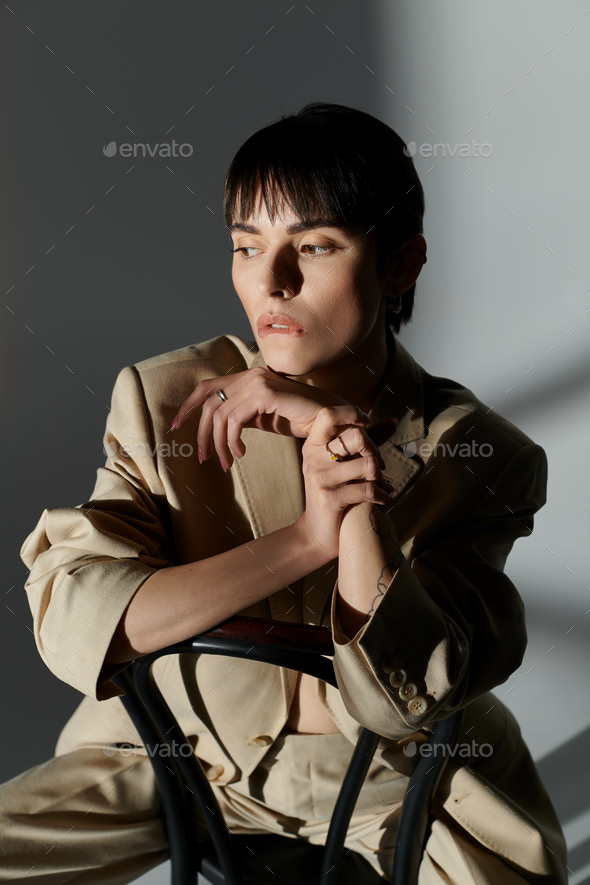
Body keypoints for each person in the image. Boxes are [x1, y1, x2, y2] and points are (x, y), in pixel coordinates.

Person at [1, 102, 567, 884]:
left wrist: (349, 477)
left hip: (398, 785)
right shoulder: (168, 397)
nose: (271, 281)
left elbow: (399, 702)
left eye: (316, 245)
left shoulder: (483, 454)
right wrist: (305, 540)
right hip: (181, 755)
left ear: (402, 263)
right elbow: (78, 616)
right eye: (246, 246)